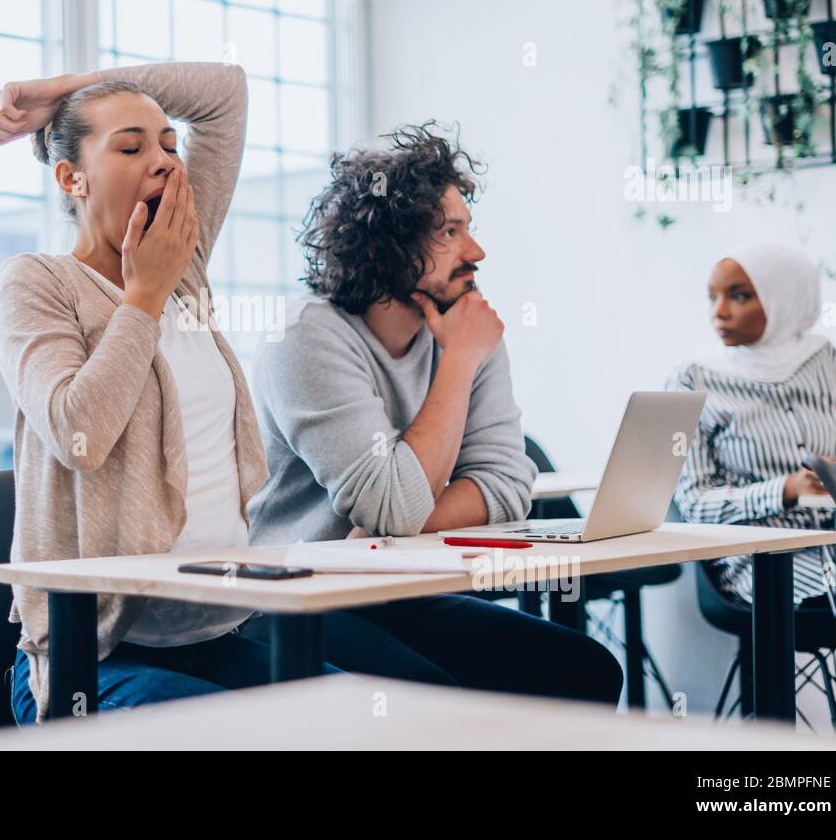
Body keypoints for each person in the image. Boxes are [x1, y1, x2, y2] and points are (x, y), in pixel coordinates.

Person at [0, 62, 339, 725]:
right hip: (93, 662)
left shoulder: (183, 263)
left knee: (363, 721)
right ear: (71, 176)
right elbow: (76, 432)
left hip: (223, 634)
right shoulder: (37, 283)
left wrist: (64, 90)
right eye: (130, 146)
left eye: (170, 144)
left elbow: (225, 92)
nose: (166, 161)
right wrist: (142, 297)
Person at [245, 122, 623, 705]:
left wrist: (404, 518)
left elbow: (507, 483)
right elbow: (395, 503)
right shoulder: (306, 338)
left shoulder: (471, 326)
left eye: (468, 229)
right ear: (384, 244)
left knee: (584, 669)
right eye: (450, 231)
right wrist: (460, 361)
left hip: (394, 586)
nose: (477, 252)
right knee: (431, 700)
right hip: (293, 594)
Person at [667, 242, 836, 610]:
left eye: (739, 296)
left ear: (785, 300)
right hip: (756, 558)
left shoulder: (824, 359)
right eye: (712, 297)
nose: (719, 313)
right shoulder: (692, 378)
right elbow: (694, 504)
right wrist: (785, 489)